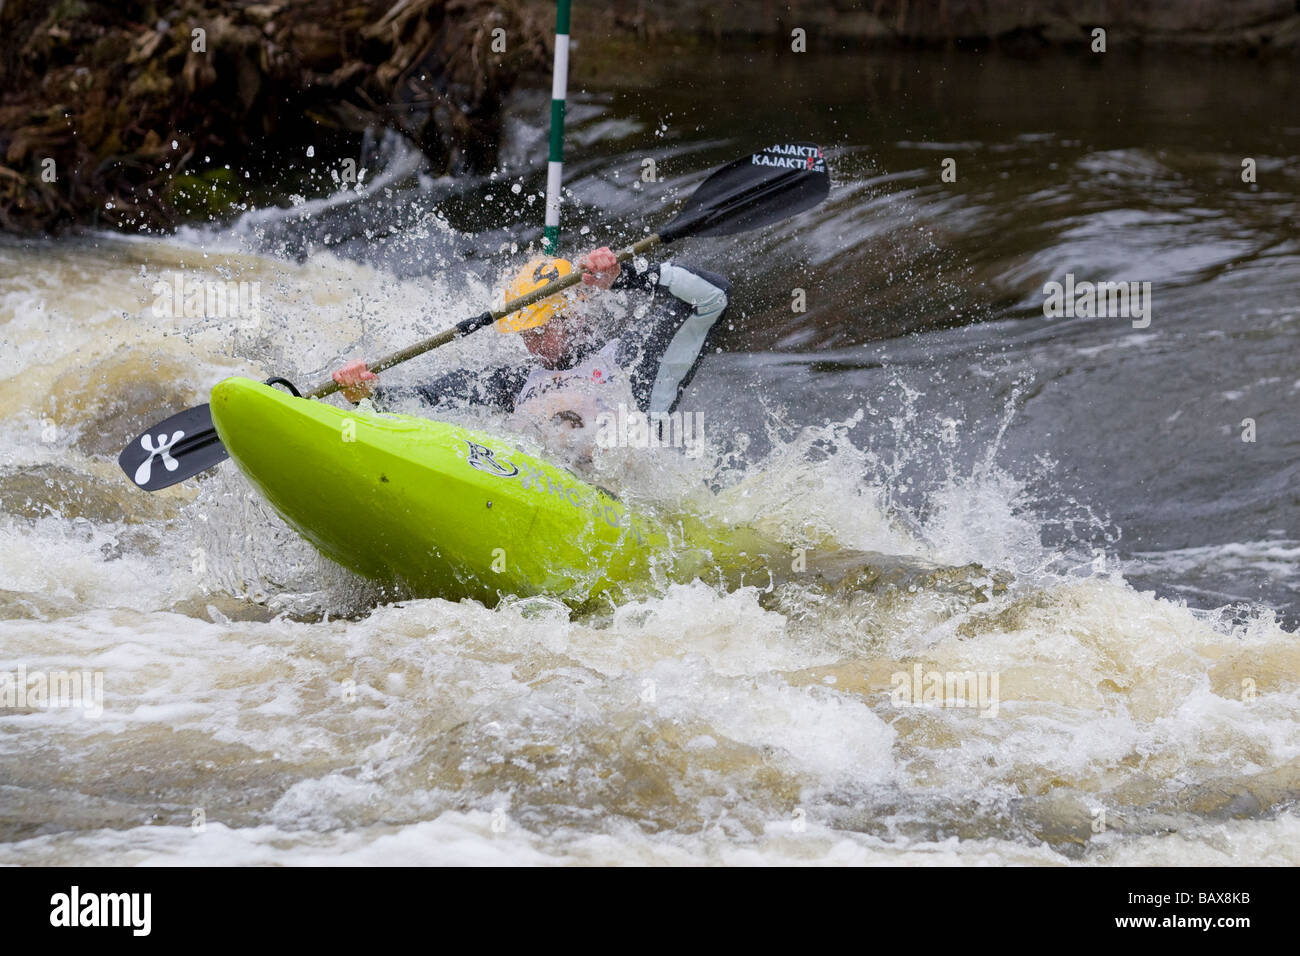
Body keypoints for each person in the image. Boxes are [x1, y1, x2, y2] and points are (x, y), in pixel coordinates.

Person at [331, 247, 731, 444]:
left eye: (543, 328)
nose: (533, 343)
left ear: (575, 314)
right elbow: (427, 399)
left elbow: (716, 296)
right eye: (526, 333)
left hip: (620, 516)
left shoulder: (633, 362)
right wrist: (368, 394)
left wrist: (624, 276)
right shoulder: (516, 381)